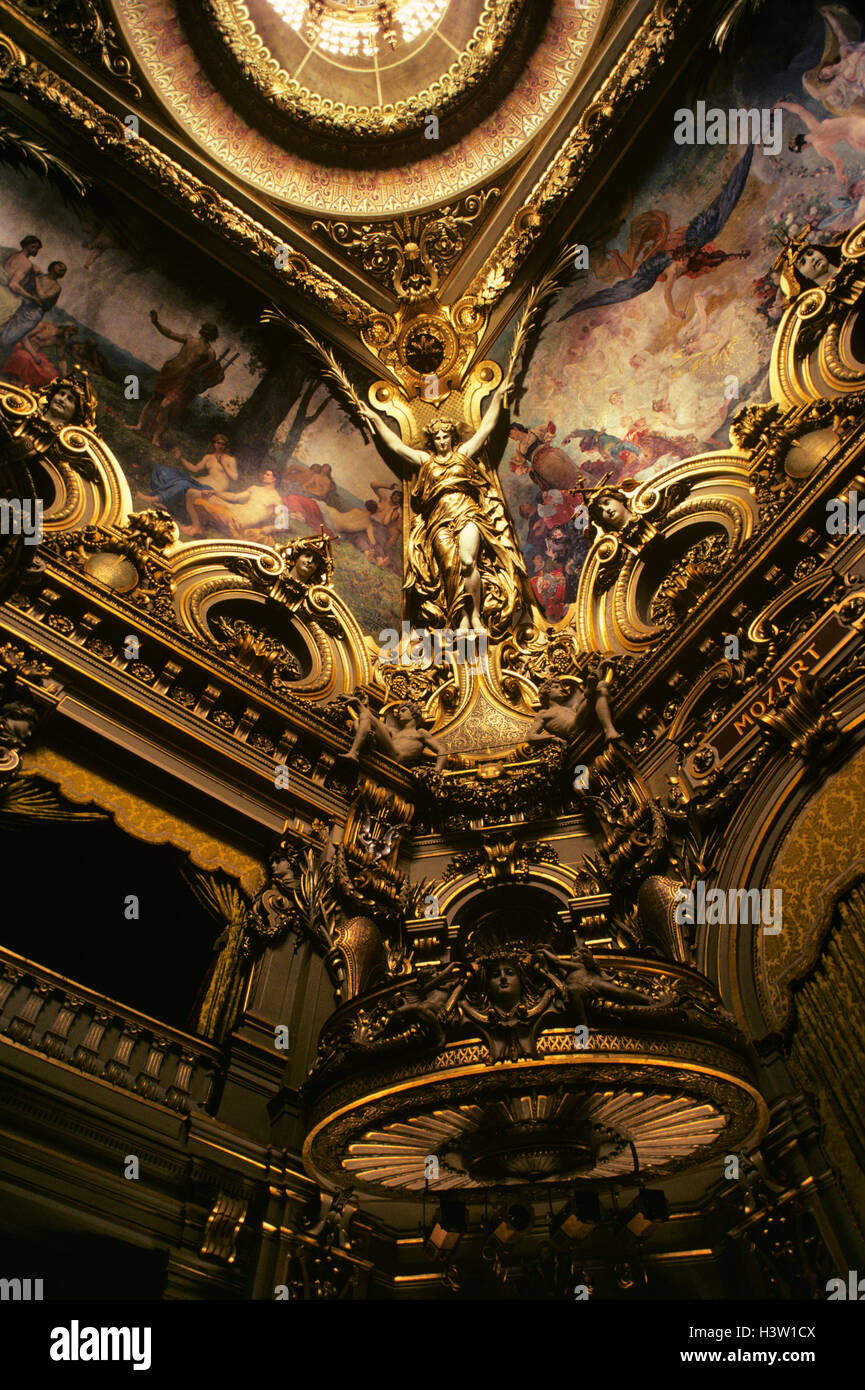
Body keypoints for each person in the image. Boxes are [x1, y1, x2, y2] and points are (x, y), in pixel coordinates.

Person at [358, 383, 528, 637]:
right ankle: (459, 617)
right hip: (439, 519)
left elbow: (486, 428)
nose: (440, 441)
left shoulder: (464, 454)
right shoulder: (425, 461)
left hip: (467, 512)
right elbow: (396, 446)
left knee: (468, 560)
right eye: (436, 438)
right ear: (432, 441)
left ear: (451, 437)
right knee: (450, 566)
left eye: (444, 436)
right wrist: (374, 419)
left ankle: (476, 616)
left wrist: (499, 396)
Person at [130, 312, 219, 445]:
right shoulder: (189, 339)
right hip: (170, 372)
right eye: (205, 329)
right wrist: (156, 322)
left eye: (209, 332)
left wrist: (201, 381)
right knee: (154, 399)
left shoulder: (210, 352)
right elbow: (170, 334)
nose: (206, 332)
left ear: (212, 336)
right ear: (202, 330)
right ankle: (139, 425)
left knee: (166, 405)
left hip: (182, 380)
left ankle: (156, 437)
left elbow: (210, 371)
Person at [183, 466, 283, 537]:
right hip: (234, 509)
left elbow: (283, 524)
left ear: (274, 479)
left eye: (267, 474)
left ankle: (198, 529)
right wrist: (214, 492)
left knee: (200, 500)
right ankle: (195, 526)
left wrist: (270, 528)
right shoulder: (255, 488)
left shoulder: (277, 499)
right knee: (193, 493)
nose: (264, 476)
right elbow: (235, 497)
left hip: (238, 521)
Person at [0, 260, 67, 356]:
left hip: (32, 315)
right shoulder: (41, 277)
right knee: (4, 329)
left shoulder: (56, 287)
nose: (62, 269)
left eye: (64, 270)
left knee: (9, 338)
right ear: (53, 266)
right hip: (21, 307)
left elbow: (42, 297)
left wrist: (35, 278)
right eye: (60, 266)